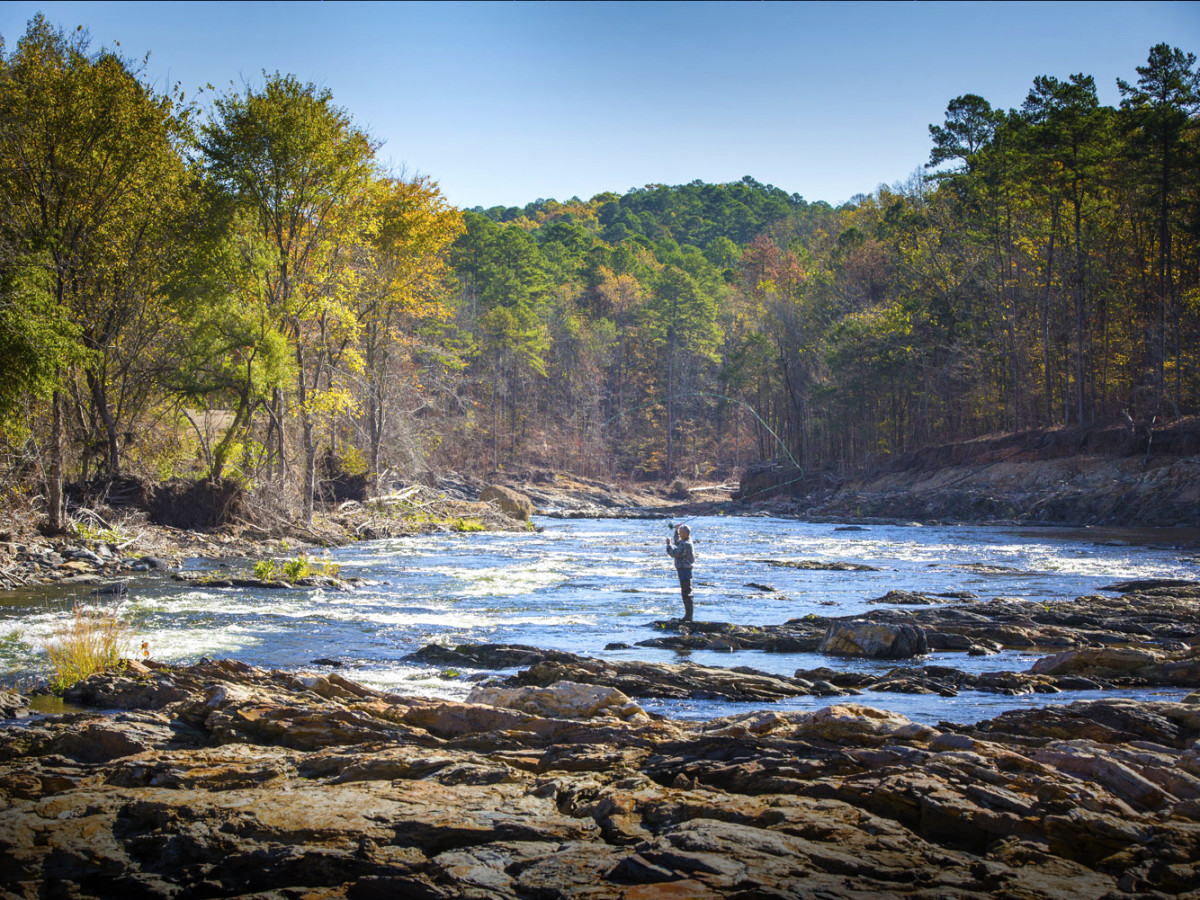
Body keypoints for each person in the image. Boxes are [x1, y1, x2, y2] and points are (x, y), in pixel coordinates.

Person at [665, 523, 695, 622]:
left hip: (684, 570)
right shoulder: (687, 541)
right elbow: (678, 542)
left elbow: (674, 553)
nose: (680, 534)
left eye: (682, 532)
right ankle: (688, 616)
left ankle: (688, 616)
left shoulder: (686, 544)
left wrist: (668, 545)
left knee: (686, 593)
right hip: (685, 570)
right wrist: (676, 531)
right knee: (686, 592)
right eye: (680, 532)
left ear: (686, 534)